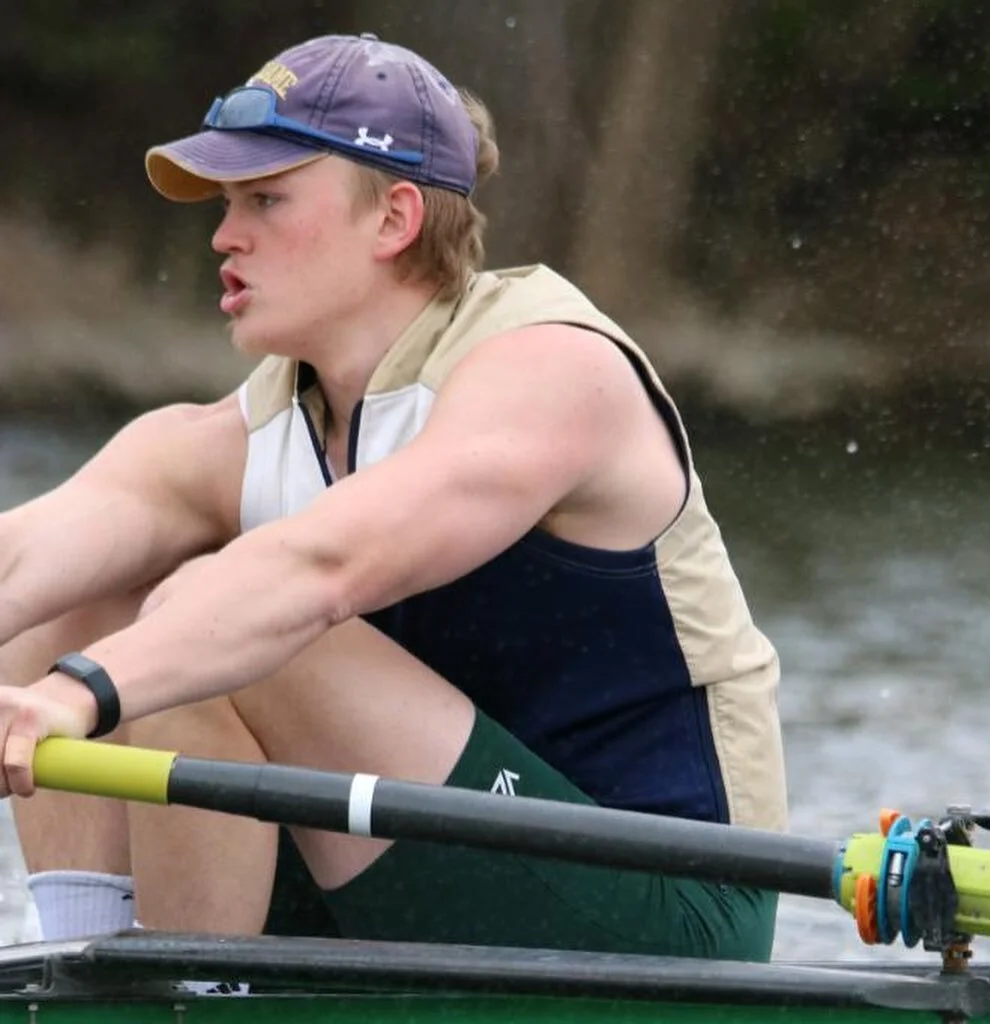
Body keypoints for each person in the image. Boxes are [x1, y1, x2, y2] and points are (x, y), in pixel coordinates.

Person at [0, 33, 787, 961]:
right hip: (424, 861)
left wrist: (78, 695)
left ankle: (180, 1000)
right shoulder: (236, 433)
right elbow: (23, 559)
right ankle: (92, 968)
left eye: (266, 199)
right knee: (76, 609)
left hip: (666, 900)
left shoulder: (555, 371)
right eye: (225, 205)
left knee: (217, 624)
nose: (223, 237)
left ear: (394, 218)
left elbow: (322, 569)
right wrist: (57, 680)